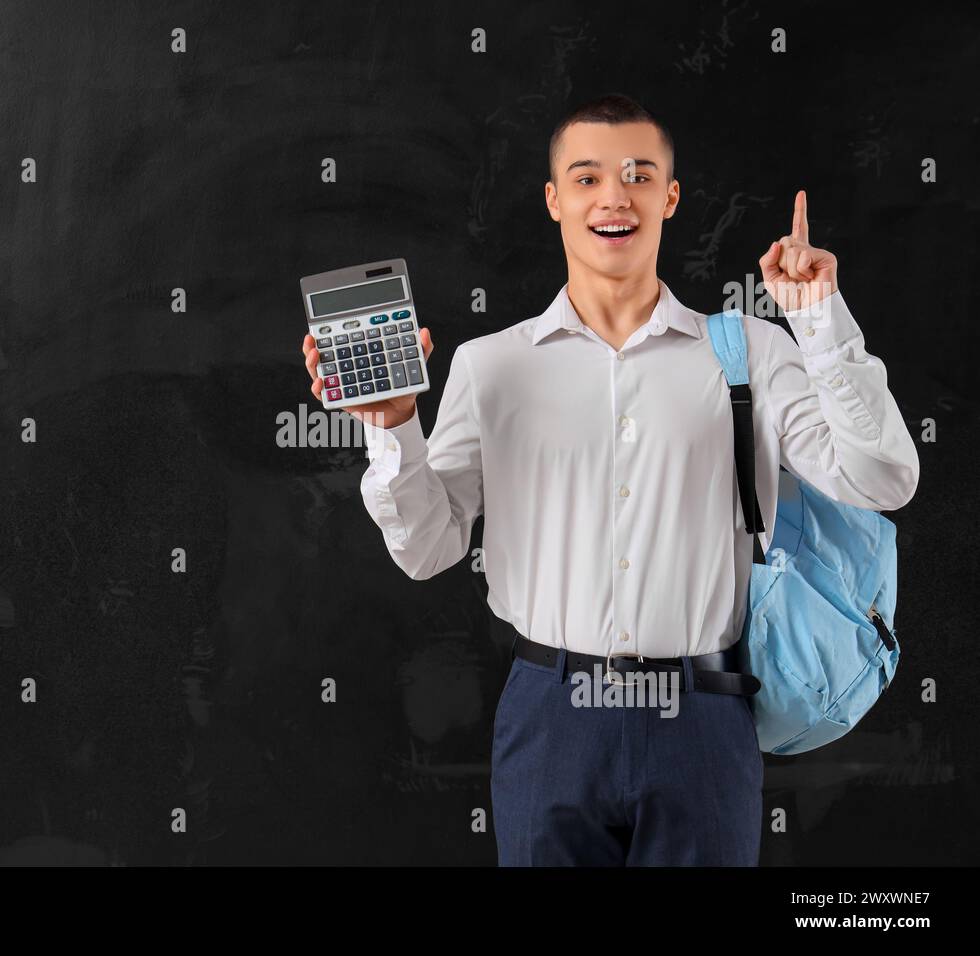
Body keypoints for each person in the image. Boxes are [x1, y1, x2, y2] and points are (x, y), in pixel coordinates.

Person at [298, 94, 919, 865]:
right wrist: (394, 426)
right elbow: (427, 549)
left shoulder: (751, 352)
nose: (614, 197)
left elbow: (884, 477)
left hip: (703, 712)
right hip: (550, 716)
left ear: (669, 196)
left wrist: (820, 321)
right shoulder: (491, 365)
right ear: (556, 199)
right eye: (587, 177)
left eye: (638, 174)